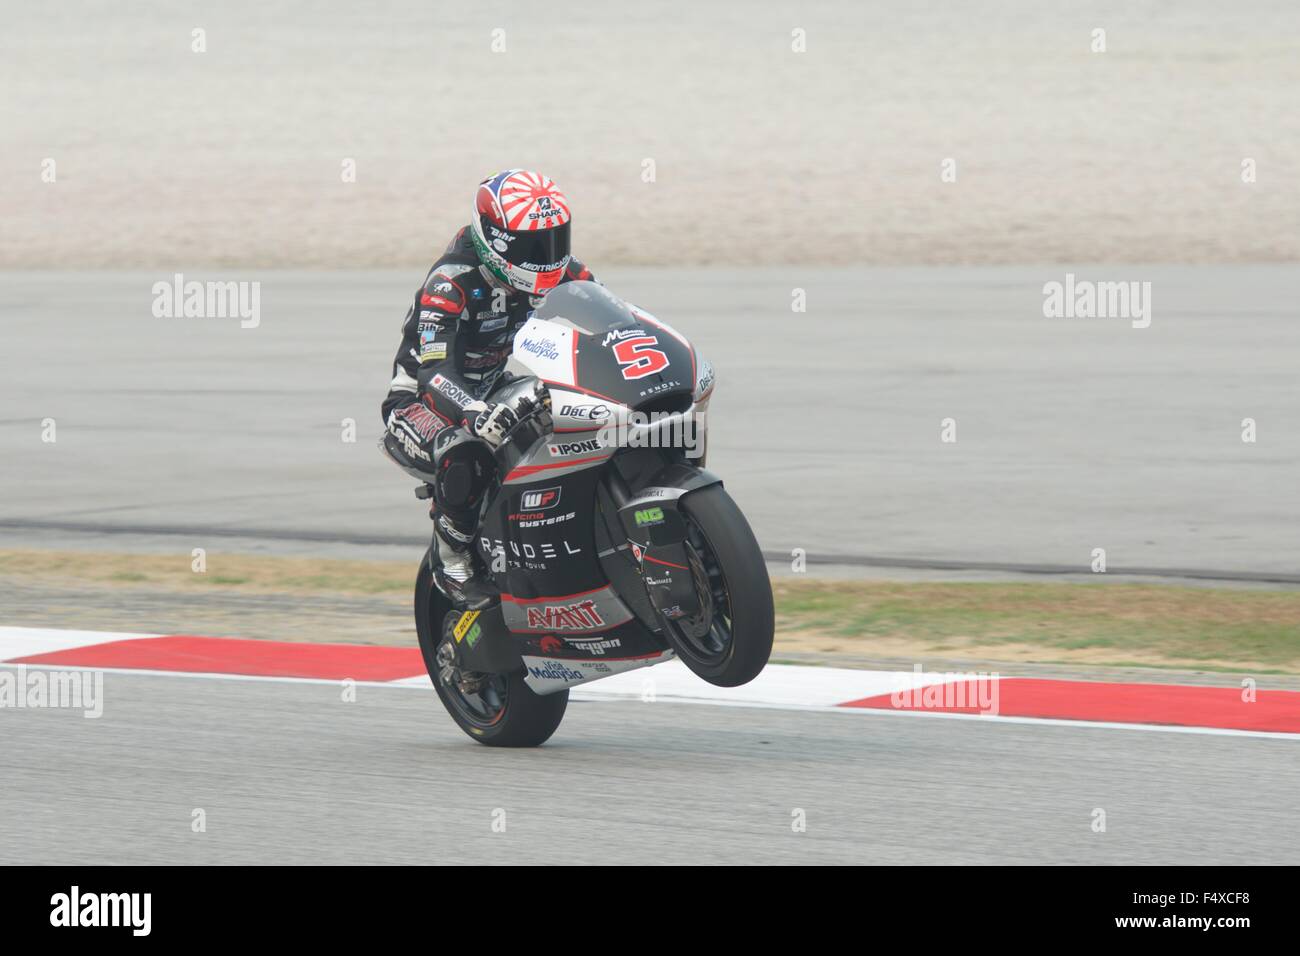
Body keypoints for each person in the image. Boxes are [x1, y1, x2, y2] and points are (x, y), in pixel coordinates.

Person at [381, 169, 596, 608]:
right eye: (535, 246)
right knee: (468, 449)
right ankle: (451, 557)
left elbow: (611, 320)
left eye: (554, 240)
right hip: (422, 403)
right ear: (497, 241)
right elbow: (434, 372)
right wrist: (473, 412)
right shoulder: (452, 281)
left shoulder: (566, 273)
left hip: (499, 386)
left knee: (578, 421)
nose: (548, 256)